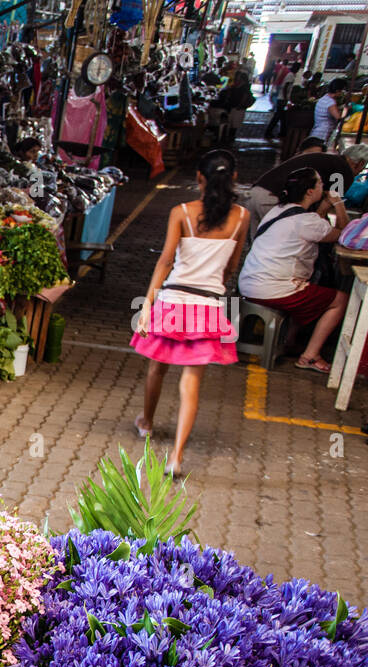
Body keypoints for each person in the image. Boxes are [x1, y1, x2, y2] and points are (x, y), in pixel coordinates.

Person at [132, 150, 248, 477]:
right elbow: (231, 267)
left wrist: (147, 305)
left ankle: (147, 423)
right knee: (191, 383)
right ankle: (177, 457)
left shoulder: (180, 212)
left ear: (199, 177)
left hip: (173, 300)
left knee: (157, 367)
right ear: (234, 177)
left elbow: (165, 261)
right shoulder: (242, 217)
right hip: (209, 304)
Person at [237, 167, 350, 373]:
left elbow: (311, 226)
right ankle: (310, 356)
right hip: (272, 288)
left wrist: (323, 208)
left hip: (249, 282)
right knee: (340, 300)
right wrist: (339, 204)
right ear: (309, 192)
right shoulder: (307, 220)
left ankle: (290, 341)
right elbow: (345, 235)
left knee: (308, 285)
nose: (323, 187)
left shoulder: (278, 210)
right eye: (320, 184)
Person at [242, 141, 368, 236]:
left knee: (259, 245)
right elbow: (330, 201)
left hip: (256, 192)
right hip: (273, 199)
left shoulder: (330, 160)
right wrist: (319, 227)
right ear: (360, 164)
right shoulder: (344, 171)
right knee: (275, 243)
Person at [311, 78, 348, 142]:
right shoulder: (331, 103)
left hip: (317, 131)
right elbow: (339, 118)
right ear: (337, 91)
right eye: (342, 91)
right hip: (323, 134)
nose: (343, 93)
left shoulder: (323, 98)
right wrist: (346, 109)